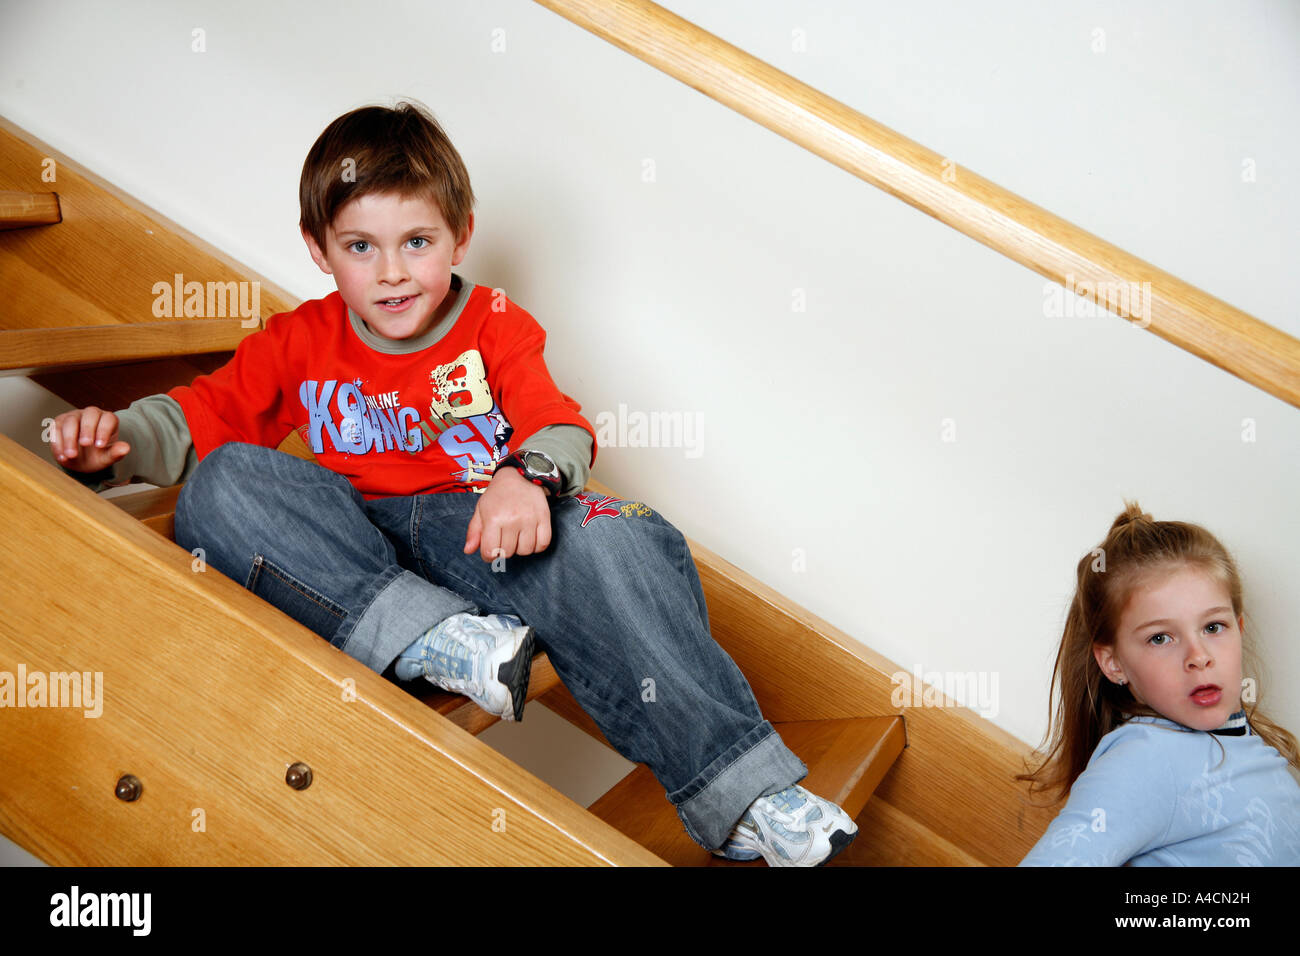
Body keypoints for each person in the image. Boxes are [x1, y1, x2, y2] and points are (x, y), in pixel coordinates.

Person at [48, 100, 857, 866]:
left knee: (618, 534)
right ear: (317, 247)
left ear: (462, 235)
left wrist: (524, 477)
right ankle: (437, 641)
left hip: (482, 531)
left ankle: (743, 793)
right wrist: (117, 439)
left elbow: (558, 422)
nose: (393, 274)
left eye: (418, 243)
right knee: (221, 486)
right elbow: (205, 416)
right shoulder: (300, 339)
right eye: (360, 247)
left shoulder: (494, 323)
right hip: (360, 544)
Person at [1018, 502, 1300, 865]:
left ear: (1239, 630)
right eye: (1160, 638)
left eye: (1213, 627)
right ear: (1113, 663)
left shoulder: (1237, 743)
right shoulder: (1148, 757)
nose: (1198, 656)